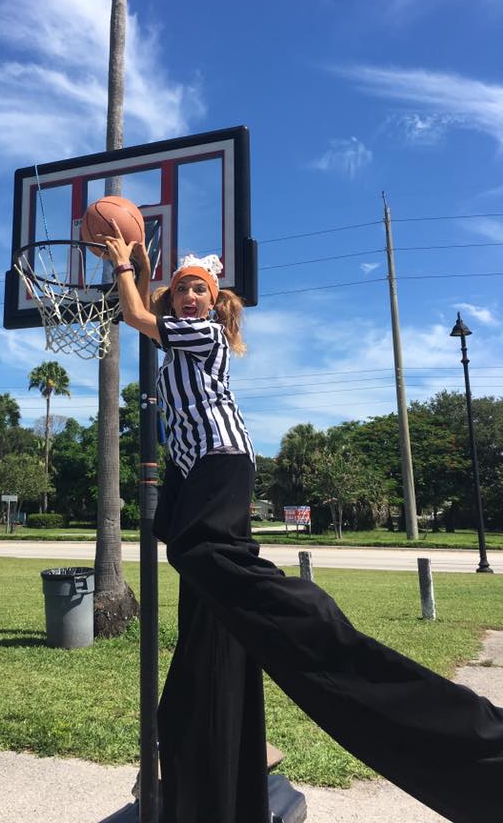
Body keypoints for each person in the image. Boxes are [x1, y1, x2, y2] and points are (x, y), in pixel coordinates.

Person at [102, 221, 503, 823]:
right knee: (197, 576)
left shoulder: (203, 334)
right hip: (194, 467)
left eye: (199, 289)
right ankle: (221, 739)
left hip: (221, 457)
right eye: (181, 288)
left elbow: (137, 315)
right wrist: (140, 261)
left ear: (215, 303)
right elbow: (148, 308)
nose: (188, 296)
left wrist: (122, 265)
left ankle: (305, 606)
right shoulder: (178, 338)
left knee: (200, 554)